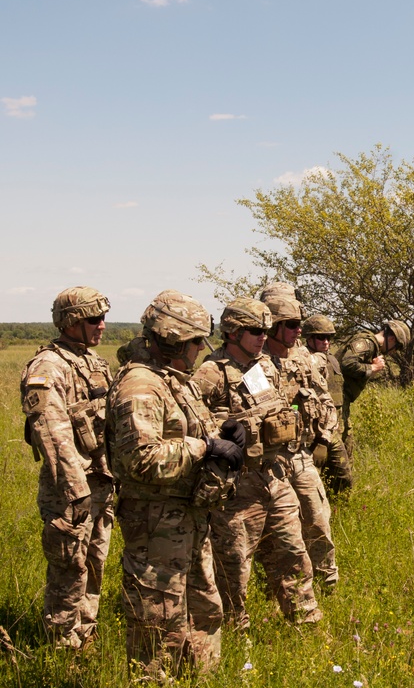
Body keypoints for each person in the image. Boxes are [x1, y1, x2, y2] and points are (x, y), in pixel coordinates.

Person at [105, 290, 242, 678]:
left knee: (204, 614)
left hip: (189, 520)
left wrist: (224, 431)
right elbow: (141, 460)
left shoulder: (173, 380)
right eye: (196, 341)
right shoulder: (140, 386)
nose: (201, 349)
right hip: (156, 527)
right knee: (157, 628)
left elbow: (184, 428)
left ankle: (201, 680)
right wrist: (205, 446)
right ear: (174, 341)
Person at [191, 297, 324, 629]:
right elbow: (191, 425)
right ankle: (234, 629)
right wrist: (223, 429)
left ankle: (305, 622)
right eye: (255, 331)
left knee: (293, 553)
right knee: (234, 564)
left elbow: (275, 409)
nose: (263, 337)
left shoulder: (263, 367)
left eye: (266, 330)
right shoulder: (211, 372)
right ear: (233, 332)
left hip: (275, 477)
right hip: (238, 488)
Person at [20, 286, 114, 651]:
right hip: (71, 492)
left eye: (103, 318)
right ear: (71, 322)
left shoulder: (92, 362)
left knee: (95, 564)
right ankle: (60, 644)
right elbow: (51, 432)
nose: (102, 325)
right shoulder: (48, 367)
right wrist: (76, 491)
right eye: (94, 319)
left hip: (100, 483)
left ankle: (84, 634)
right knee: (69, 570)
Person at [258, 284, 340, 589]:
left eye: (299, 324)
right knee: (272, 532)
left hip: (301, 454)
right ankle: (275, 586)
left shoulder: (305, 358)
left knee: (318, 521)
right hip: (266, 461)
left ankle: (327, 583)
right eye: (291, 325)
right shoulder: (252, 360)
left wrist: (324, 439)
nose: (298, 331)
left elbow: (325, 401)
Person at [336, 319, 411, 458]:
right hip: (336, 400)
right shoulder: (367, 343)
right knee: (339, 450)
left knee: (345, 448)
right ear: (392, 339)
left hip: (340, 400)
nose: (394, 352)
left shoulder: (371, 346)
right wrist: (372, 368)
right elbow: (347, 363)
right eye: (397, 347)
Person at [301, 314, 353, 494]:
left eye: (329, 337)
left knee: (342, 474)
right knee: (313, 477)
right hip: (314, 428)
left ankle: (340, 506)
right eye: (321, 337)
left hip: (333, 424)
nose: (326, 342)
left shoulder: (330, 359)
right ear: (309, 338)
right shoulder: (306, 360)